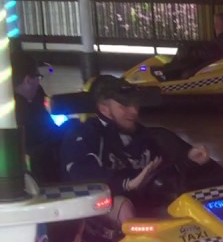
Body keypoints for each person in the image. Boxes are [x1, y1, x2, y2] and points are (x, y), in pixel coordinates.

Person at [60, 75, 211, 223]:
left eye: (134, 104)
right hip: (102, 200)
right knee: (123, 206)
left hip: (147, 198)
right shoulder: (84, 136)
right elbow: (81, 175)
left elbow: (168, 165)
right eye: (124, 106)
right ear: (105, 109)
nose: (134, 111)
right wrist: (126, 183)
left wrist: (189, 159)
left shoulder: (147, 135)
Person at [12, 51, 61, 183]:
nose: (38, 83)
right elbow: (49, 133)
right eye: (38, 77)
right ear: (28, 80)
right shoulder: (22, 111)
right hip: (36, 174)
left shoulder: (34, 98)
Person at [154, 12, 223, 81]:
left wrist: (191, 52)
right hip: (209, 63)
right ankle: (166, 71)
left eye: (217, 23)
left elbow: (213, 52)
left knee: (185, 61)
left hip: (210, 67)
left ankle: (164, 74)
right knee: (186, 55)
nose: (214, 26)